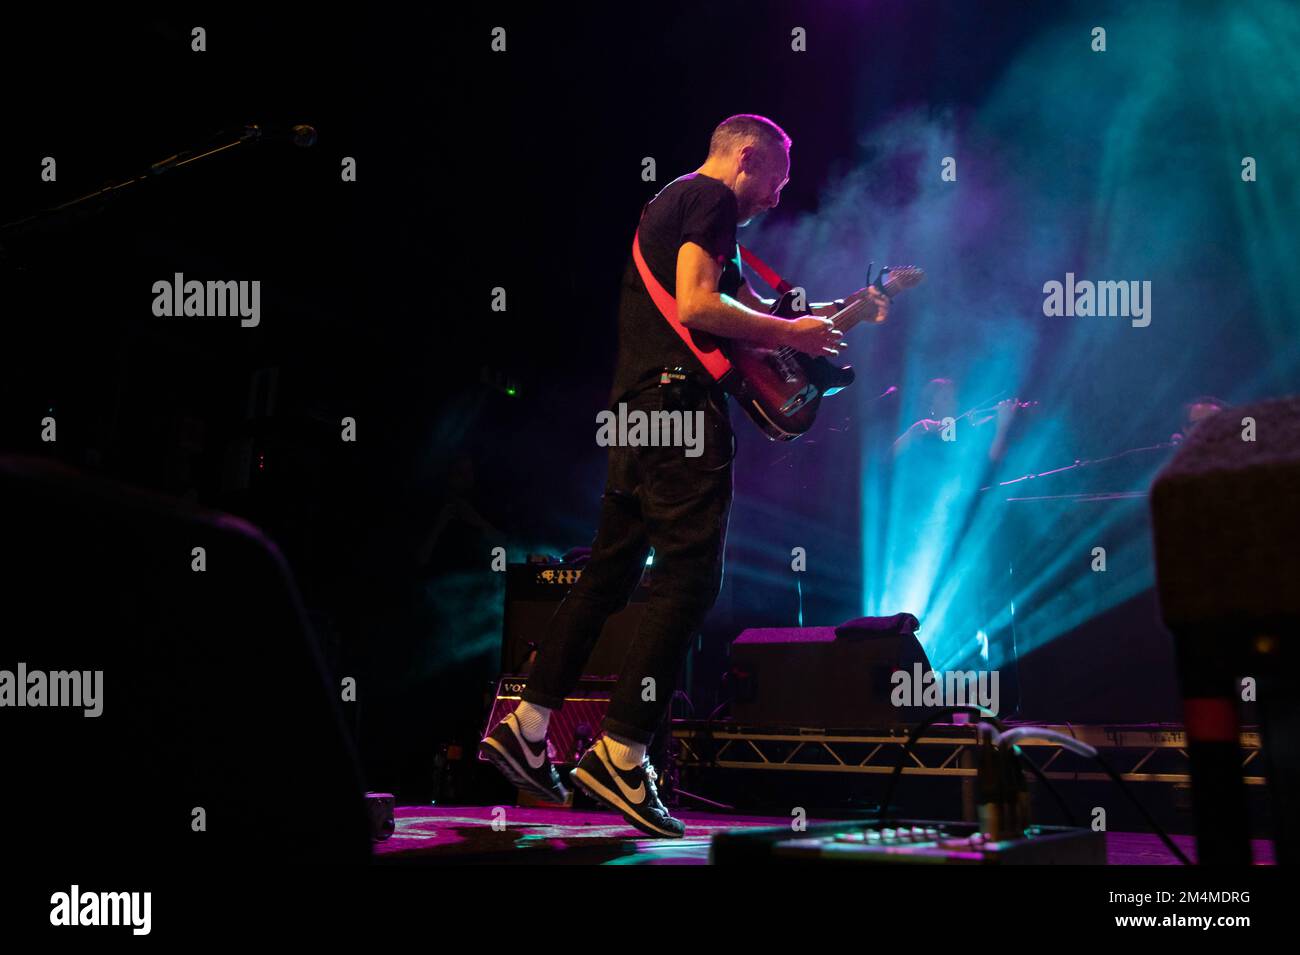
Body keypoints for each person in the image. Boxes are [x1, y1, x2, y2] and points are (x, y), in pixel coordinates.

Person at [479, 114, 887, 837]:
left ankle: (529, 723)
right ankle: (622, 751)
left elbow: (746, 318)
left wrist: (836, 314)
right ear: (749, 157)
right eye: (779, 179)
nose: (779, 196)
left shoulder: (671, 206)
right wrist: (795, 331)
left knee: (607, 574)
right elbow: (701, 305)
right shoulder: (711, 199)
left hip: (640, 410)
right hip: (678, 410)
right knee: (689, 577)